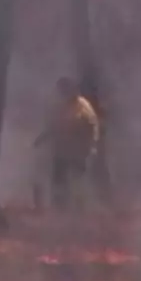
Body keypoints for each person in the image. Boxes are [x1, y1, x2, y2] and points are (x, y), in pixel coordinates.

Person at [33, 76, 100, 211]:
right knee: (59, 181)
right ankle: (59, 208)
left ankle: (80, 209)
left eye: (64, 90)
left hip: (79, 152)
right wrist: (41, 139)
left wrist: (91, 147)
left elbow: (92, 129)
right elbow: (53, 125)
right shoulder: (60, 105)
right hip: (61, 151)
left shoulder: (83, 108)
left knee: (77, 181)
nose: (61, 93)